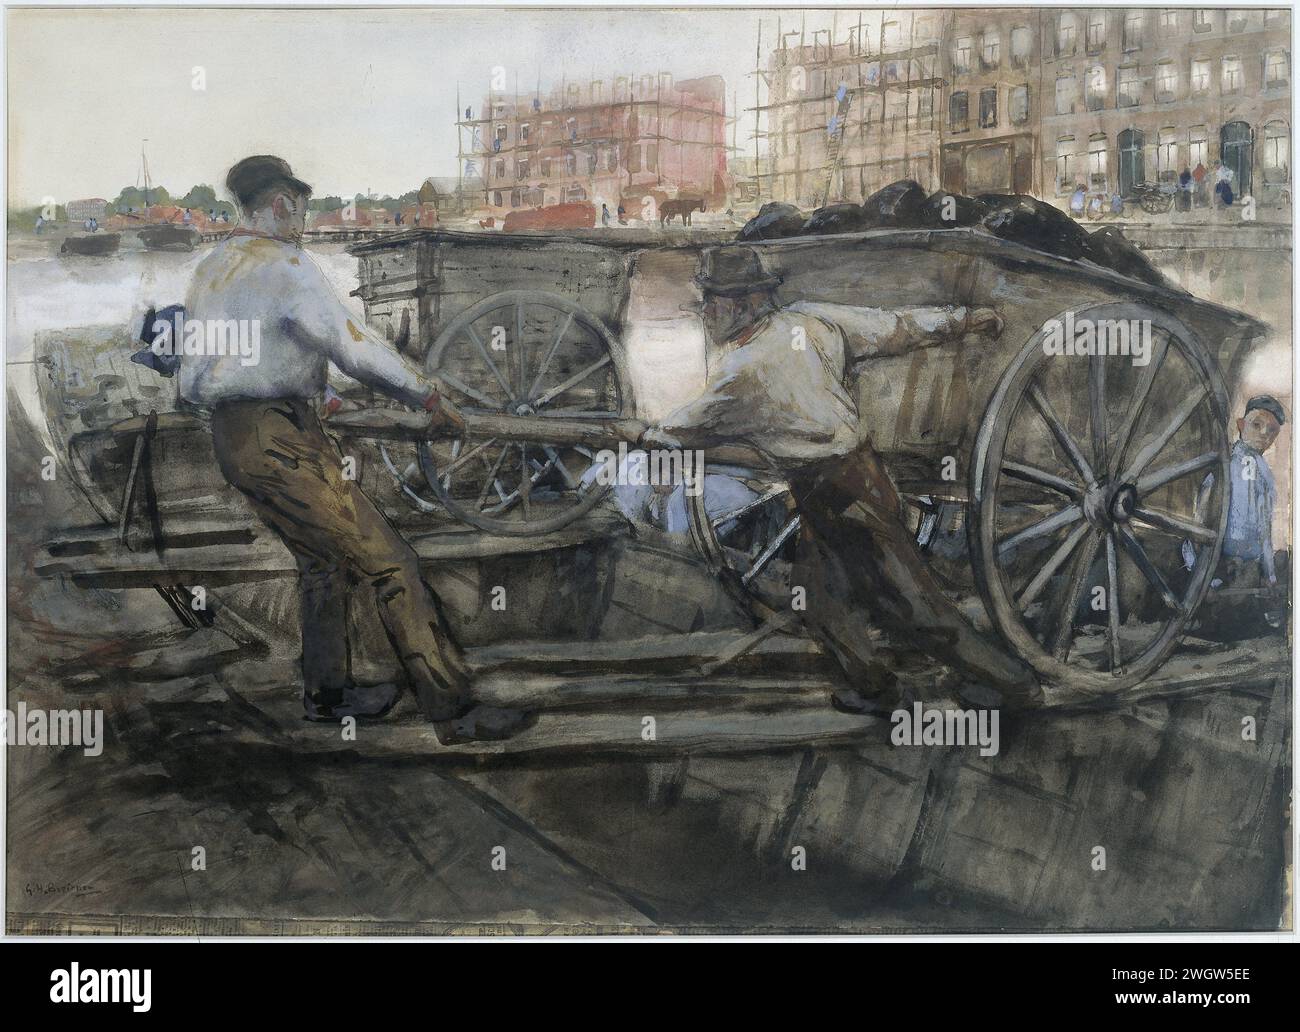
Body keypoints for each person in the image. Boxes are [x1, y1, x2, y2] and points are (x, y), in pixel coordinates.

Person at [181, 155, 529, 742]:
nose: (304, 219)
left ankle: (328, 694)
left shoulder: (213, 269)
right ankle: (454, 711)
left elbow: (210, 372)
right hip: (280, 438)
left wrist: (318, 395)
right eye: (301, 207)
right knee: (391, 562)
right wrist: (425, 394)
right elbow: (350, 344)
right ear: (281, 204)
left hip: (235, 436)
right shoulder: (285, 265)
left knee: (322, 561)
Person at [640, 246, 1042, 712]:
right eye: (706, 300)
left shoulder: (742, 369)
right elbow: (896, 329)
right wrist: (964, 320)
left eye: (714, 301)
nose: (706, 312)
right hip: (841, 483)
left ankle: (1015, 686)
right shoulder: (810, 323)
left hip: (843, 490)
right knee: (818, 600)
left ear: (747, 303)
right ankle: (874, 687)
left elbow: (682, 428)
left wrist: (647, 436)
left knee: (910, 604)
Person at [1184, 396, 1289, 640]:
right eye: (1257, 425)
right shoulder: (1224, 466)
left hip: (1247, 570)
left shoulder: (1265, 476)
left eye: (1272, 431)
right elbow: (1199, 522)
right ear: (1241, 425)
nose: (1264, 434)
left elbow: (1265, 528)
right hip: (1216, 564)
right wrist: (1202, 578)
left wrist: (1269, 575)